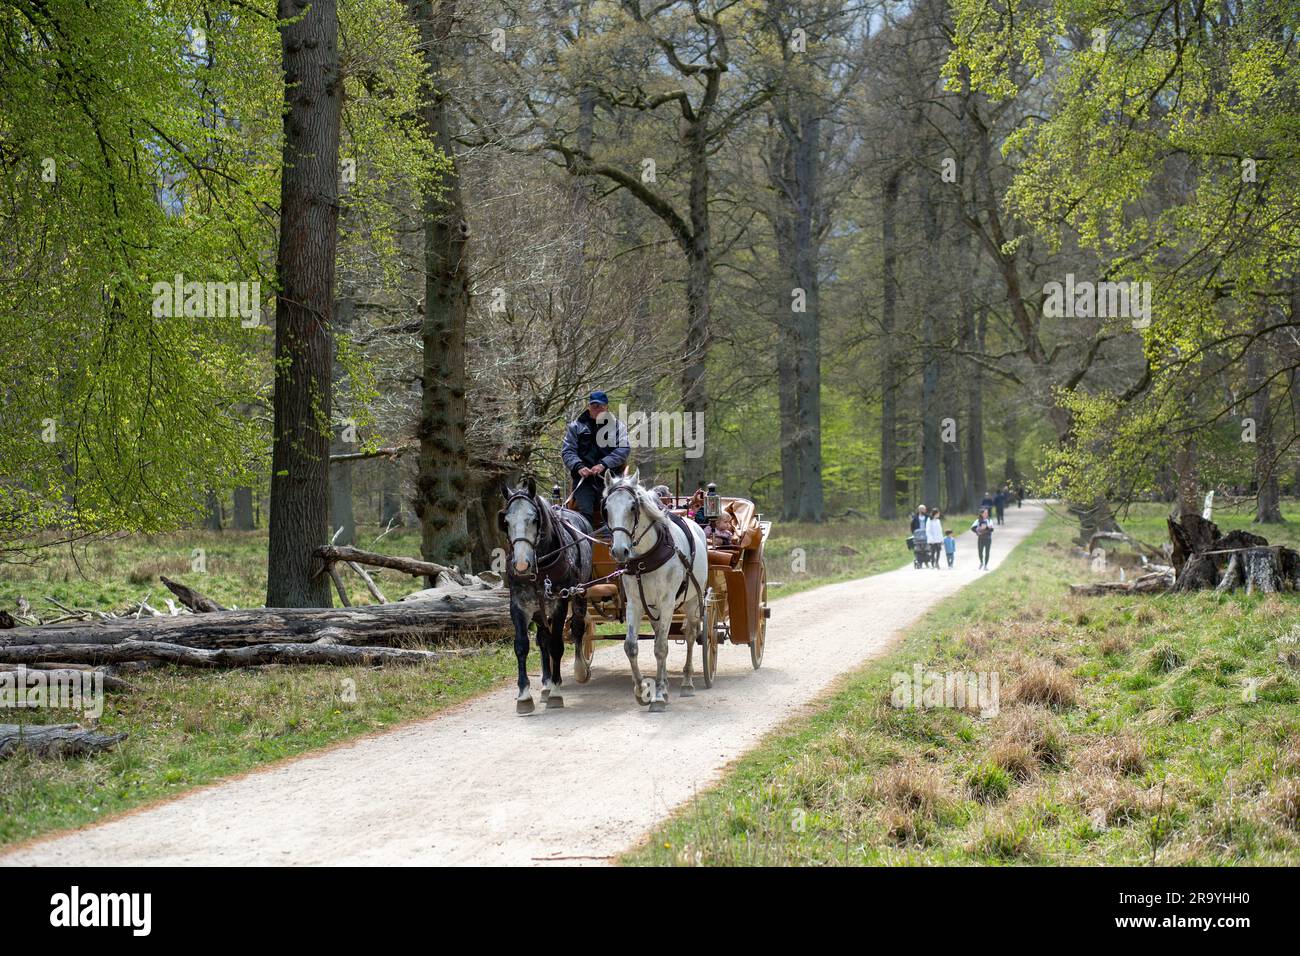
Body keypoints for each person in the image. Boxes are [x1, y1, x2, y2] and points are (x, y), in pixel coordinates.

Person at [560, 390, 630, 531]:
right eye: (594, 406)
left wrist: (604, 464)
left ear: (606, 407)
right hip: (584, 481)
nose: (597, 409)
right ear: (589, 407)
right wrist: (579, 466)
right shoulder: (575, 427)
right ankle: (588, 547)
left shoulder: (617, 427)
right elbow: (568, 451)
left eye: (600, 406)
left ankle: (613, 544)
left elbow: (623, 450)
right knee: (585, 513)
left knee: (614, 510)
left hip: (611, 481)